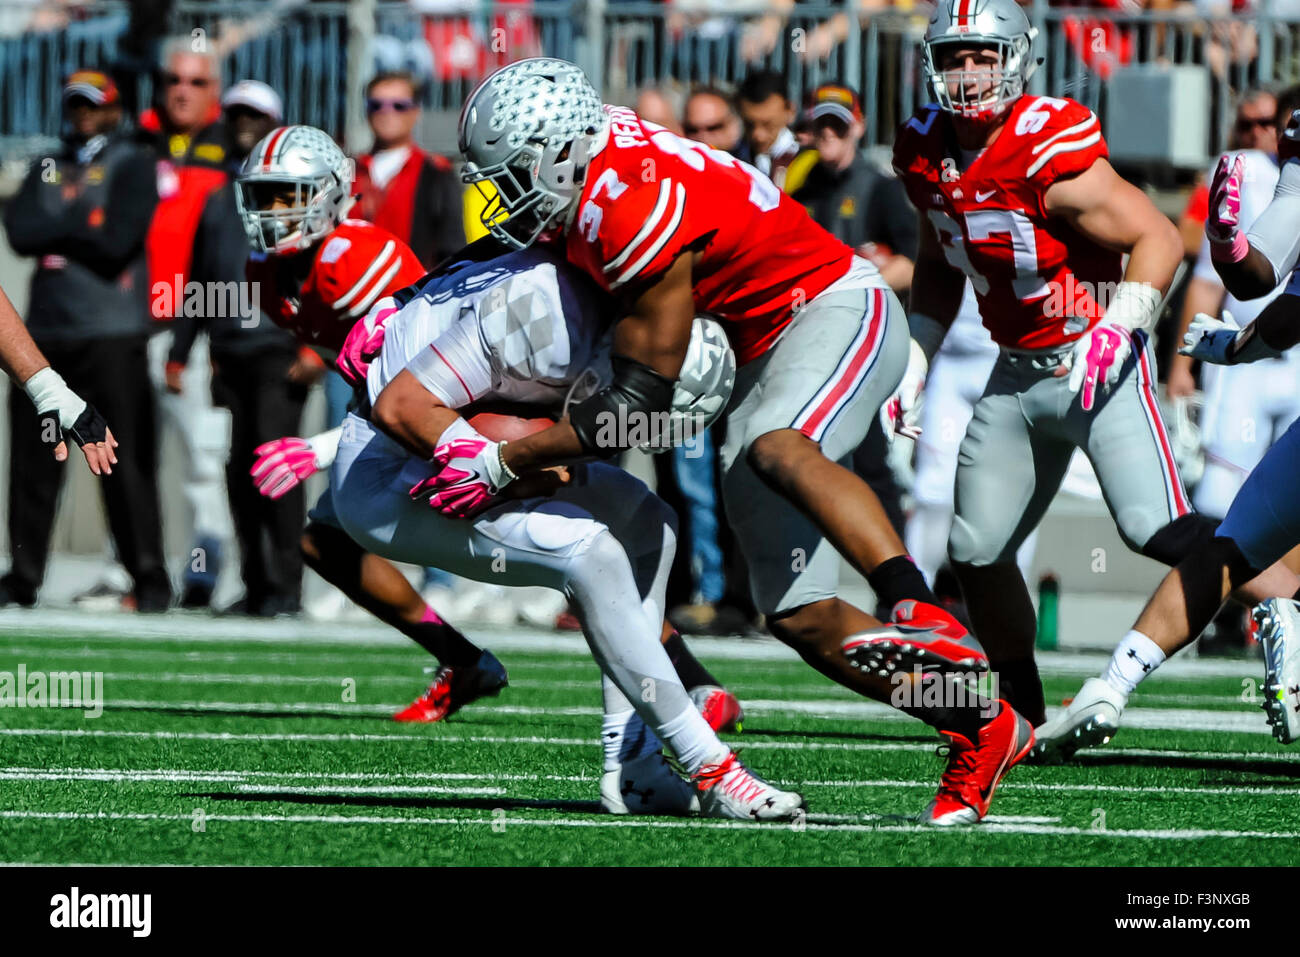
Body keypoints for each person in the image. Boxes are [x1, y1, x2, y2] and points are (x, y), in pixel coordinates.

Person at [453, 57, 1032, 827]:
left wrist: (504, 457)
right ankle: (981, 722)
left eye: (516, 170)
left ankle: (918, 603)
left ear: (561, 151)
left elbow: (635, 400)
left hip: (832, 305)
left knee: (777, 447)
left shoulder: (625, 206)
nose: (503, 193)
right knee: (798, 610)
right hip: (764, 345)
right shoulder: (596, 163)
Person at [238, 125, 746, 728]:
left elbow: (408, 381)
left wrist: (321, 449)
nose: (273, 212)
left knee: (581, 545)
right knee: (325, 540)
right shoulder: (264, 275)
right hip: (415, 406)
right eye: (263, 196)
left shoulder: (356, 258)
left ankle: (688, 684)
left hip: (487, 387)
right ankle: (463, 659)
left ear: (327, 193)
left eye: (286, 194)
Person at [887, 0, 1292, 731]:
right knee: (974, 548)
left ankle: (1284, 608)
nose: (970, 71)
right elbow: (938, 261)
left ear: (1017, 58)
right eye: (956, 55)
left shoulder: (1047, 142)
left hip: (1096, 361)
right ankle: (1019, 706)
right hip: (1016, 370)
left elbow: (1160, 237)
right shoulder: (924, 149)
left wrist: (1120, 325)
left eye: (985, 55)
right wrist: (918, 354)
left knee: (1153, 526)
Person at [342, 242, 803, 820]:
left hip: (435, 439)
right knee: (592, 553)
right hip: (392, 472)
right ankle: (713, 768)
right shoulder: (546, 320)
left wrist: (524, 459)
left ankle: (633, 763)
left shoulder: (605, 310)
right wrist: (502, 458)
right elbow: (403, 407)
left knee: (649, 523)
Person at [1, 69, 166, 611]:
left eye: (94, 105)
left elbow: (117, 240)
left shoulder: (133, 162)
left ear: (116, 108)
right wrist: (82, 224)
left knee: (122, 460)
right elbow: (21, 233)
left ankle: (147, 576)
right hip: (46, 336)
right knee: (34, 459)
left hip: (111, 335)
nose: (84, 114)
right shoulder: (47, 163)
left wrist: (64, 230)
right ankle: (23, 575)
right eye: (75, 104)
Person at [167, 83, 312, 617]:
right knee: (238, 471)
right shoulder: (218, 197)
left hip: (279, 350)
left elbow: (314, 273)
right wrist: (181, 351)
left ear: (276, 122)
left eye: (256, 115)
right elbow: (199, 279)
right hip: (229, 351)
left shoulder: (297, 188)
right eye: (237, 114)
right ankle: (255, 584)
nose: (245, 122)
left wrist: (314, 346)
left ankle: (288, 589)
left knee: (278, 468)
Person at [792, 83, 918, 295]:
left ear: (858, 127)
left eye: (838, 124)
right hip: (811, 311)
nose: (828, 132)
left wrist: (855, 291)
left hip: (866, 314)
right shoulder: (802, 193)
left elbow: (912, 262)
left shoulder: (882, 188)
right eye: (821, 123)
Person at [735, 71, 799, 190]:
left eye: (768, 124)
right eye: (749, 125)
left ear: (790, 111)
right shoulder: (734, 160)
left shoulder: (806, 162)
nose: (758, 135)